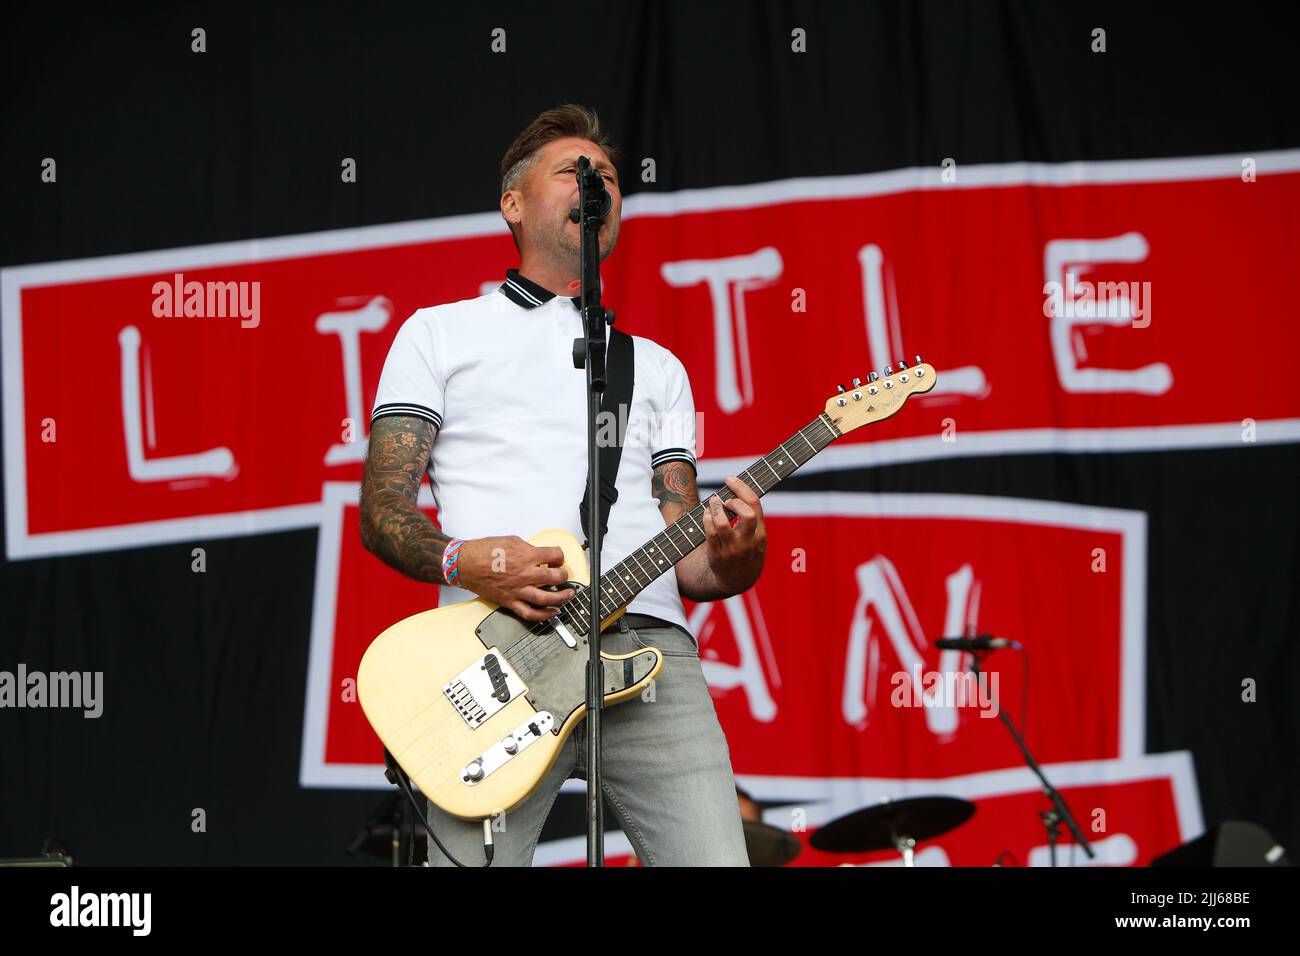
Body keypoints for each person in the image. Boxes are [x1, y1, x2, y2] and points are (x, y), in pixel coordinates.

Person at [359, 104, 766, 866]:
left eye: (608, 176)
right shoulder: (439, 333)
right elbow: (382, 513)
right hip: (499, 653)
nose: (598, 185)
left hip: (650, 657)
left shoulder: (659, 368)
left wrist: (740, 548)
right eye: (574, 173)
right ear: (512, 204)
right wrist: (466, 561)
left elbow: (696, 561)